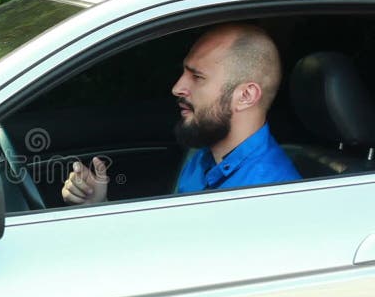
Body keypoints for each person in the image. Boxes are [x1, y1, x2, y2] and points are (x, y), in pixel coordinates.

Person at [61, 23, 301, 205]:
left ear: (246, 96)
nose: (177, 88)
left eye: (197, 77)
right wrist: (98, 205)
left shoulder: (271, 196)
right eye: (184, 73)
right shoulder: (204, 155)